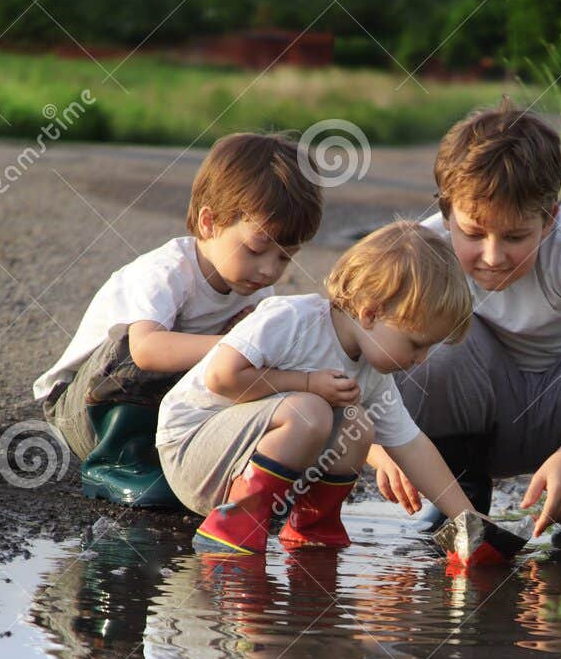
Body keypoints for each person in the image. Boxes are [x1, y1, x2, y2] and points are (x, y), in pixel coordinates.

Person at [369, 99, 561, 543]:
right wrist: (376, 449)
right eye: (474, 234)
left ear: (549, 219)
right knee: (428, 344)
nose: (493, 257)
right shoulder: (427, 249)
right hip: (479, 410)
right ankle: (459, 503)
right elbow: (344, 351)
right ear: (446, 213)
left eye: (515, 237)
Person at [155, 219, 478, 556]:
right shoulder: (293, 319)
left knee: (358, 425)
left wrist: (469, 520)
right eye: (415, 344)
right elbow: (222, 377)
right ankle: (234, 524)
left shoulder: (372, 374)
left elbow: (411, 446)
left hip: (240, 464)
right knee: (310, 410)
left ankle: (311, 529)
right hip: (191, 450)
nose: (422, 360)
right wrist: (306, 383)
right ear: (370, 313)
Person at [32, 131, 321, 504]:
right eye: (256, 249)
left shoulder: (257, 292)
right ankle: (114, 463)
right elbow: (146, 352)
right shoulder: (167, 271)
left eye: (285, 257)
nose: (268, 270)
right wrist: (235, 346)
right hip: (84, 410)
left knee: (259, 358)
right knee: (144, 345)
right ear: (209, 223)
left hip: (158, 412)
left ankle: (196, 465)